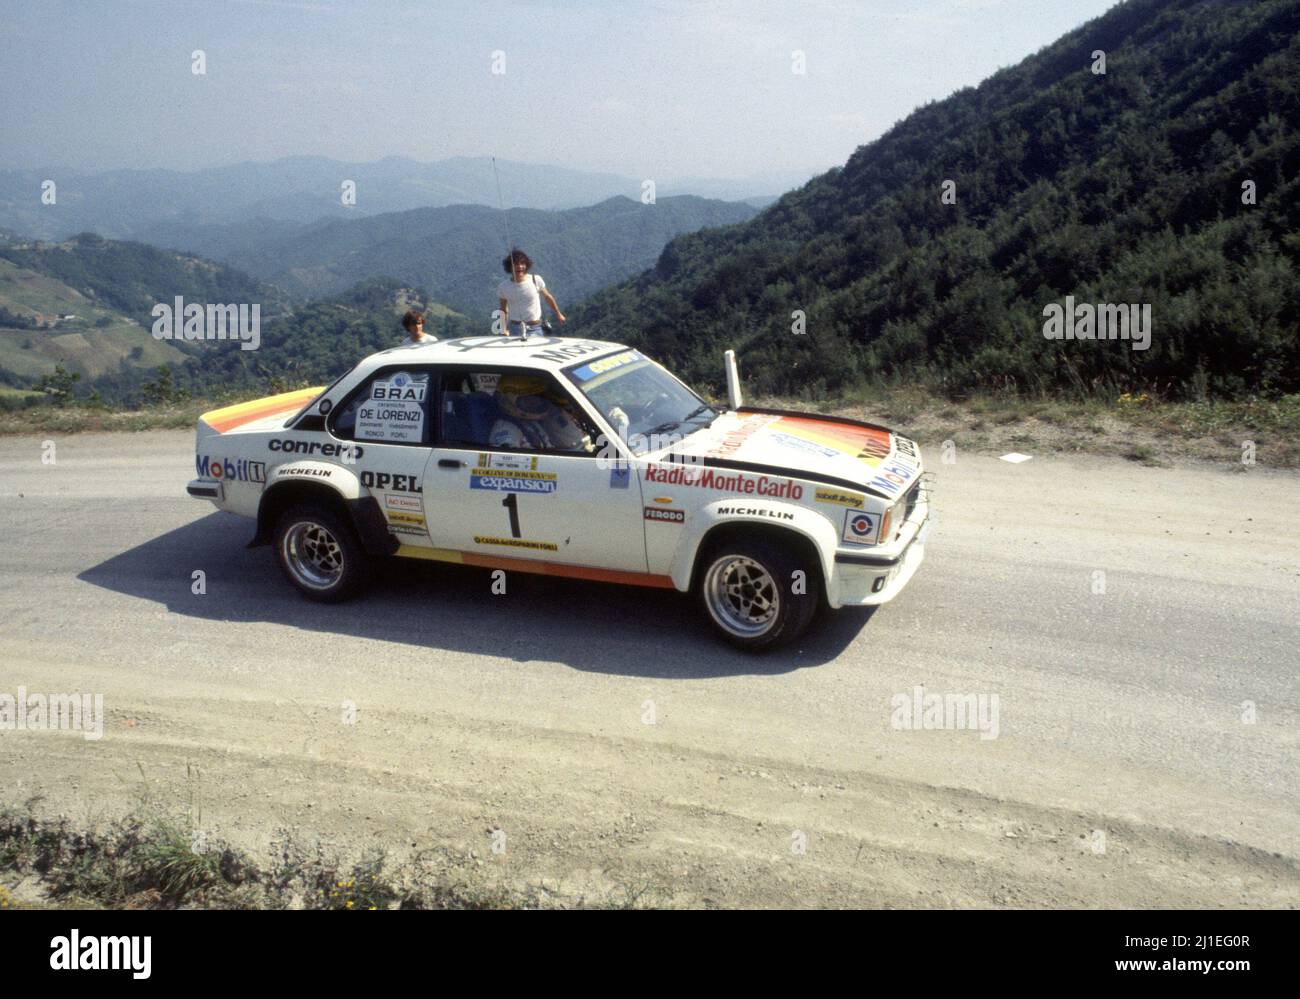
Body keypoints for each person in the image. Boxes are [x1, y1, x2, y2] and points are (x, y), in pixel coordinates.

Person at [488, 374, 587, 450]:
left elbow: (576, 443)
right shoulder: (507, 430)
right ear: (507, 402)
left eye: (540, 396)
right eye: (528, 400)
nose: (537, 402)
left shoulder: (547, 416)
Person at [497, 249, 565, 337]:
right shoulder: (503, 287)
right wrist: (503, 329)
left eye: (522, 264)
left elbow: (548, 297)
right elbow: (503, 309)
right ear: (510, 267)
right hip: (515, 328)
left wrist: (559, 314)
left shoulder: (535, 280)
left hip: (535, 327)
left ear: (527, 265)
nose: (520, 267)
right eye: (516, 264)